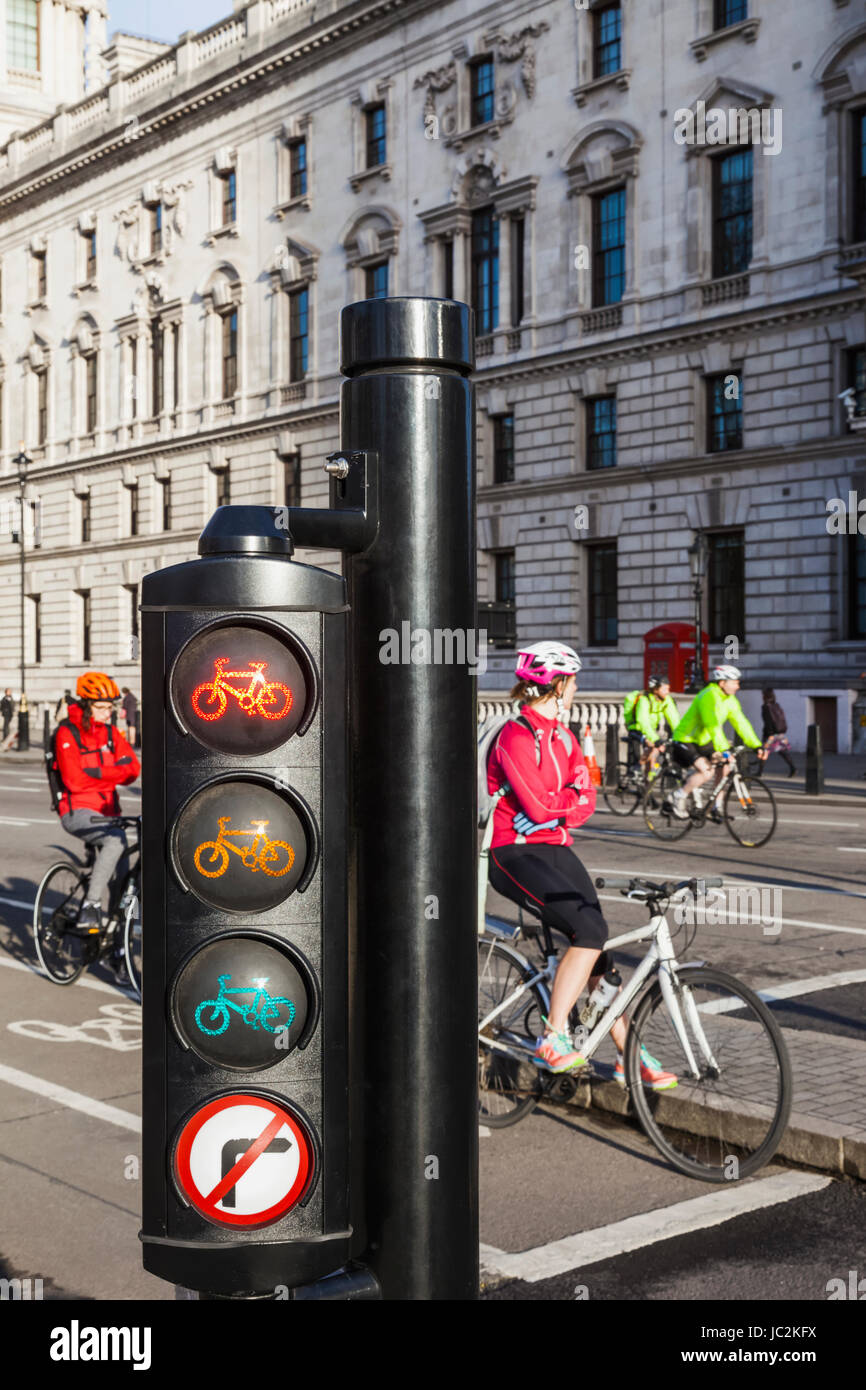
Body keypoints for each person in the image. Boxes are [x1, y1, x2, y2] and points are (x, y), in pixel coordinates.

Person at [486, 641, 677, 1089]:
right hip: (513, 852)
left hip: (555, 847)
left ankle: (628, 1055)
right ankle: (553, 1037)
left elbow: (585, 798)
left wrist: (560, 806)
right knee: (588, 930)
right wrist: (561, 803)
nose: (575, 690)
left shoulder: (565, 737)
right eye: (572, 683)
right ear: (557, 686)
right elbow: (537, 807)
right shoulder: (514, 736)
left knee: (597, 943)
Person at [55, 672, 140, 935]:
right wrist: (113, 773)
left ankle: (116, 939)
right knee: (115, 841)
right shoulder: (67, 733)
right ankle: (90, 907)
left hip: (109, 813)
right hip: (77, 811)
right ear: (86, 706)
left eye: (110, 707)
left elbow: (132, 770)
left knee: (123, 879)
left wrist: (96, 773)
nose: (107, 713)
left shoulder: (111, 734)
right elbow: (74, 781)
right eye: (101, 707)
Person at [669, 664, 767, 818]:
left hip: (705, 741)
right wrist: (724, 749)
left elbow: (741, 723)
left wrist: (756, 745)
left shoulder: (730, 700)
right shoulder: (708, 696)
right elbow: (712, 724)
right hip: (686, 739)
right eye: (734, 682)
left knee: (725, 766)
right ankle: (679, 795)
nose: (738, 686)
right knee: (706, 772)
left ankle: (716, 806)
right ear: (722, 683)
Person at [630, 677, 680, 773]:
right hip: (637, 729)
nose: (667, 692)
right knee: (653, 745)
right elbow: (643, 722)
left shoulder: (666, 700)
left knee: (661, 747)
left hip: (651, 730)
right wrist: (655, 739)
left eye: (668, 689)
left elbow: (674, 719)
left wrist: (679, 734)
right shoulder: (644, 700)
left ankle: (648, 778)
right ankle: (637, 767)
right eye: (664, 689)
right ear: (655, 690)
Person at [761, 688, 795, 777]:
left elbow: (768, 721)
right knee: (783, 751)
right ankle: (793, 767)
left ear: (765, 696)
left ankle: (759, 772)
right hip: (780, 733)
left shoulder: (766, 707)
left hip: (771, 734)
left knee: (764, 751)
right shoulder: (776, 705)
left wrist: (770, 734)